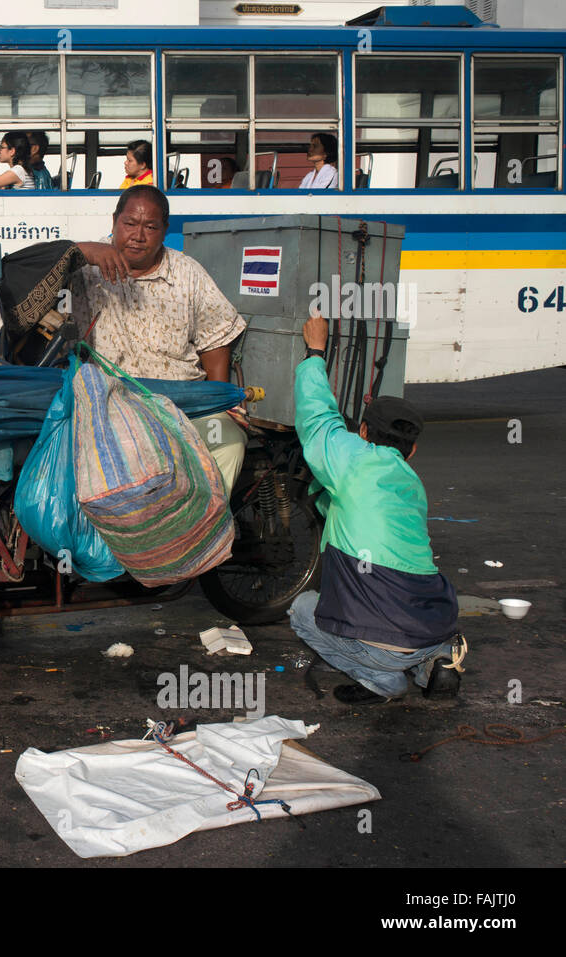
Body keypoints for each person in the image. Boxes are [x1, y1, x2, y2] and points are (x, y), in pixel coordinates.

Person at [287, 311, 462, 704]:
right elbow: (345, 504)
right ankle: (434, 659)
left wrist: (316, 350)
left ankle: (381, 680)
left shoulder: (353, 459)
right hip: (434, 620)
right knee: (397, 611)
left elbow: (317, 418)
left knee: (302, 610)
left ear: (363, 432)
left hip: (385, 642)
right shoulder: (411, 484)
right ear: (412, 450)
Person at [71, 185, 247, 495]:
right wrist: (80, 251)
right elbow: (33, 270)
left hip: (182, 403)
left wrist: (218, 401)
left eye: (150, 227)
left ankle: (202, 529)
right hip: (112, 405)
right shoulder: (85, 269)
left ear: (164, 230)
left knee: (228, 441)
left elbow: (216, 337)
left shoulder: (187, 273)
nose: (138, 235)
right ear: (114, 222)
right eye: (129, 224)